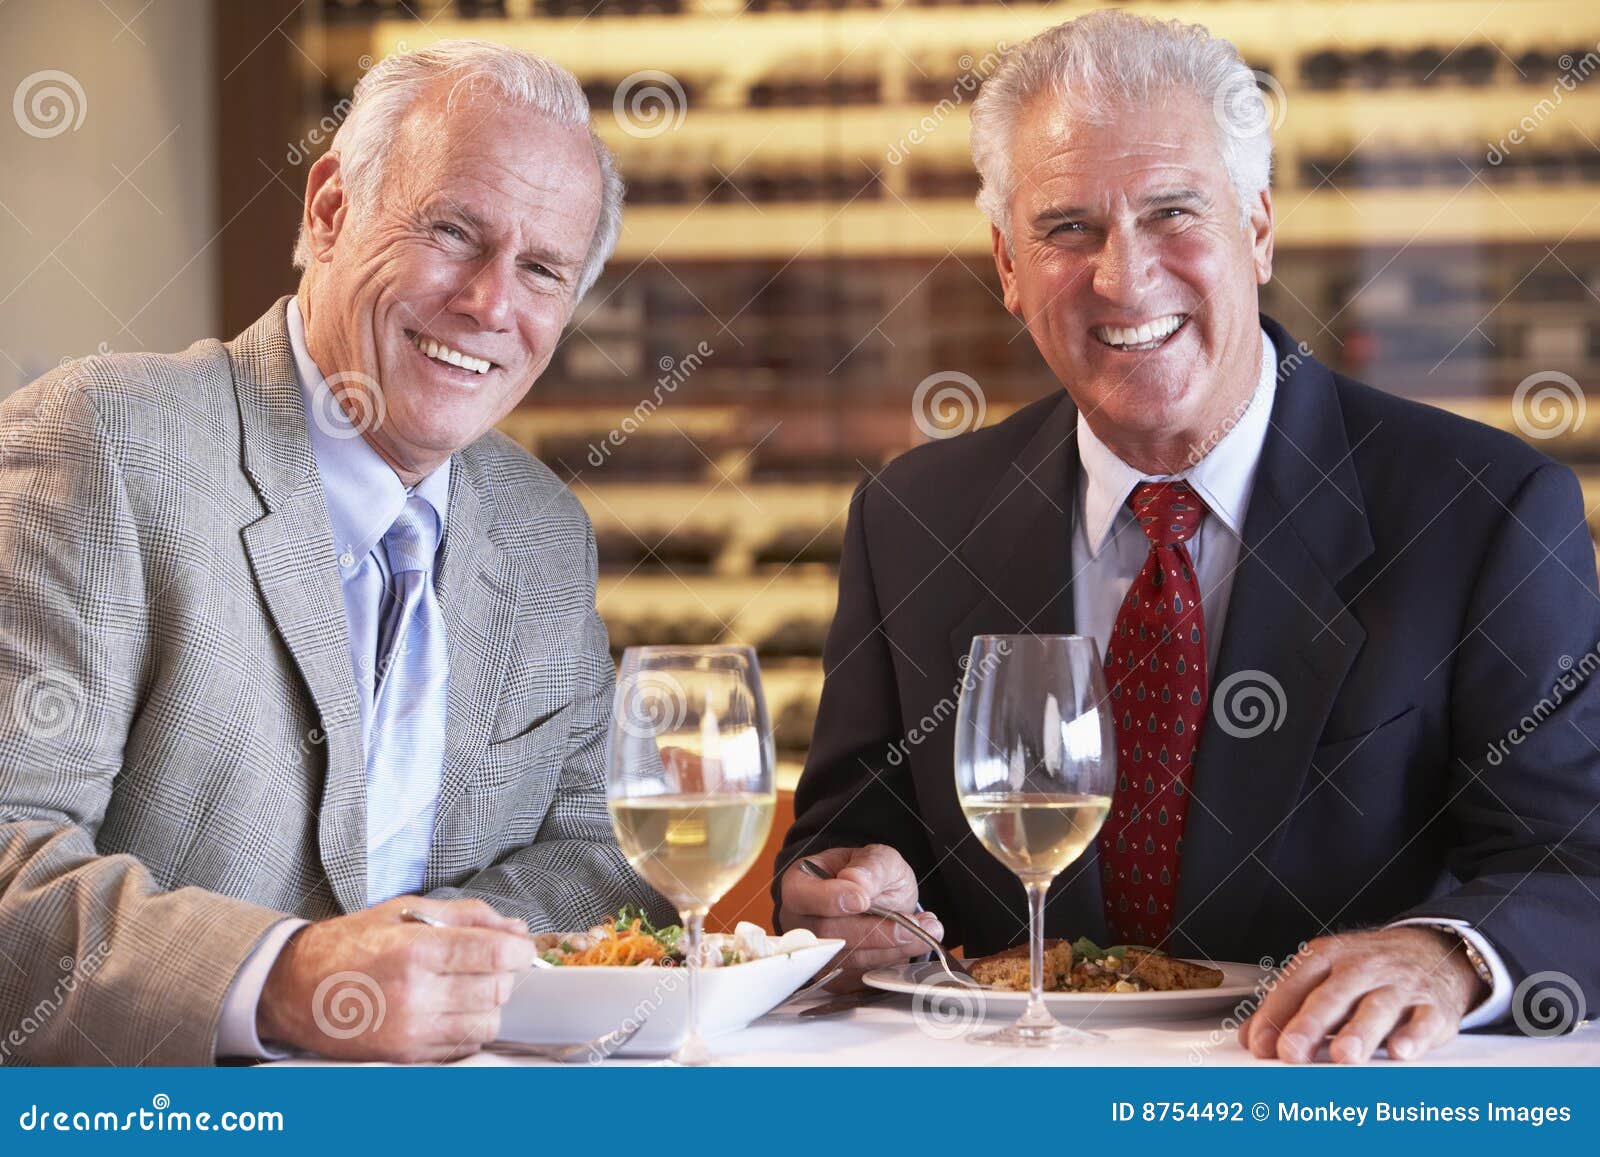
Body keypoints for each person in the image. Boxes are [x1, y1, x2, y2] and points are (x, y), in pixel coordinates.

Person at [775, 10, 1600, 1063]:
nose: (1124, 277)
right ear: (1006, 264)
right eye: (1066, 227)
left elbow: (1573, 865)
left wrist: (1443, 958)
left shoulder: (1481, 508)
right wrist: (838, 898)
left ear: (1257, 226)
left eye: (1172, 212)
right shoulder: (913, 518)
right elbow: (839, 845)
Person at [0, 40, 670, 1067]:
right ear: (327, 211)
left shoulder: (541, 529)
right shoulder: (103, 440)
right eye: (453, 231)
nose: (491, 304)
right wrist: (290, 974)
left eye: (541, 270)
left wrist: (432, 964)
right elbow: (12, 857)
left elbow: (600, 849)